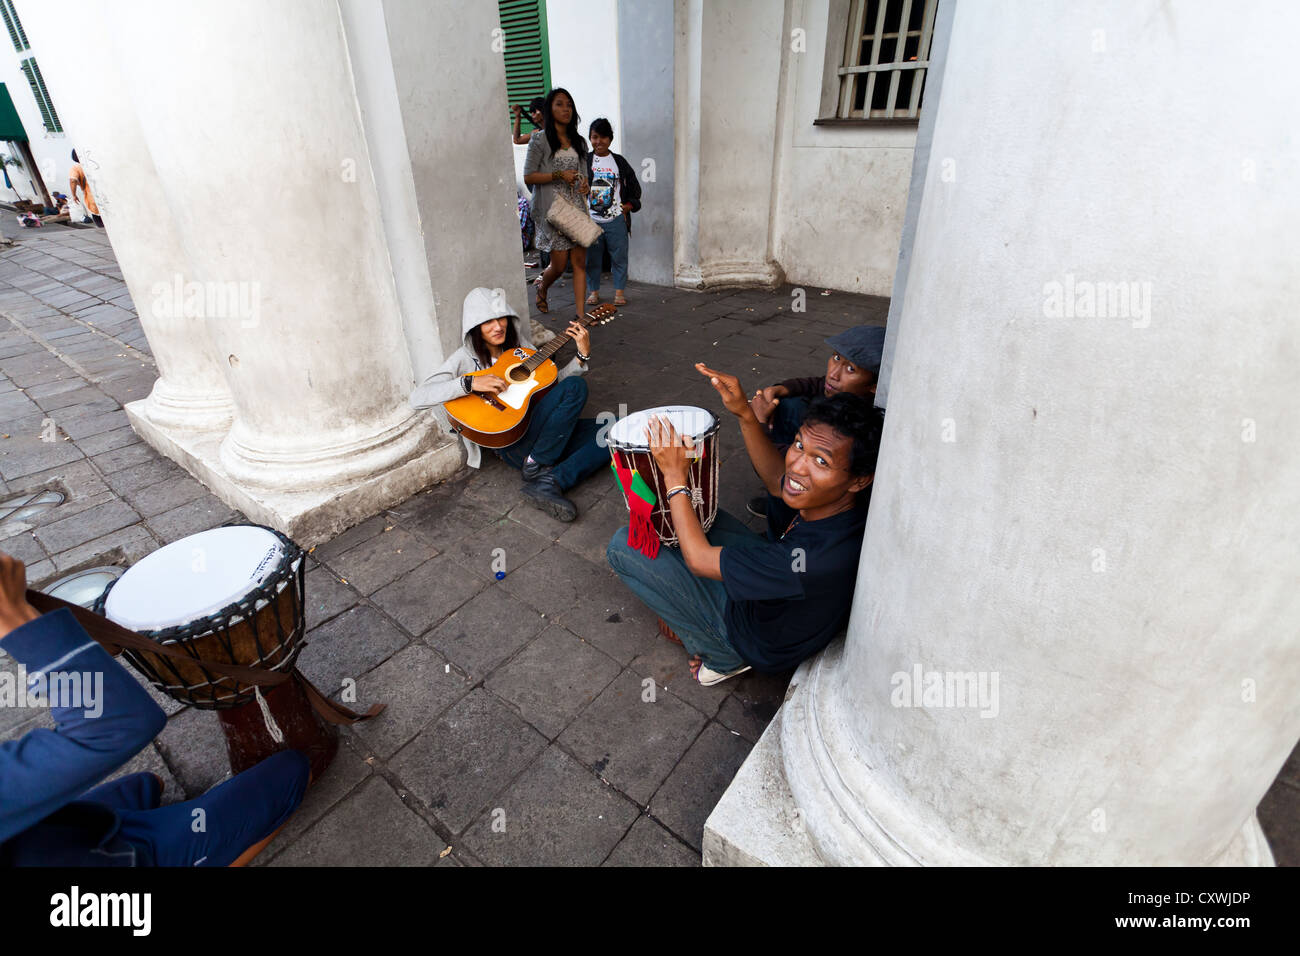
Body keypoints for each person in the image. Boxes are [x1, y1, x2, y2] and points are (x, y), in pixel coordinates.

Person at [0, 552, 310, 866]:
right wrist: (12, 616)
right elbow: (114, 727)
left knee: (147, 784)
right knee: (295, 770)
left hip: (42, 834)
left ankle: (75, 828)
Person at [607, 365, 883, 685]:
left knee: (624, 546)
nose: (797, 467)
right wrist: (745, 414)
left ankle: (724, 657)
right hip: (781, 587)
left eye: (821, 461)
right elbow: (777, 483)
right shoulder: (847, 503)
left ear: (859, 479)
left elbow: (699, 560)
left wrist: (674, 477)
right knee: (694, 522)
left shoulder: (815, 560)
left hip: (756, 637)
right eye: (798, 445)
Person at [409, 286, 607, 522]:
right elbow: (418, 398)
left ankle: (550, 481)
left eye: (501, 318)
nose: (498, 326)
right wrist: (469, 383)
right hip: (511, 441)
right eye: (488, 322)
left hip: (540, 429)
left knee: (612, 429)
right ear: (474, 327)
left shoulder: (521, 349)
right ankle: (538, 463)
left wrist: (581, 356)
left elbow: (553, 386)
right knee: (577, 388)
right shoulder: (464, 358)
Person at [746, 324, 885, 516]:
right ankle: (781, 500)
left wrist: (755, 423)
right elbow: (819, 383)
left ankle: (782, 516)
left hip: (836, 503)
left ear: (875, 386)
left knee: (778, 460)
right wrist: (780, 390)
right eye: (836, 358)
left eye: (850, 369)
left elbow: (789, 456)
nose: (834, 374)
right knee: (789, 404)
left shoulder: (860, 426)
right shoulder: (849, 389)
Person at [523, 88, 591, 322]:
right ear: (549, 111)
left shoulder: (579, 142)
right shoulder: (539, 140)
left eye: (569, 105)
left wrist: (585, 186)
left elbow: (583, 175)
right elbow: (529, 176)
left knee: (580, 262)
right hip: (552, 210)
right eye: (559, 104)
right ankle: (542, 285)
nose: (565, 109)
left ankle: (581, 315)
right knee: (559, 265)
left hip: (576, 209)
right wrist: (560, 175)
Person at [583, 118, 641, 310]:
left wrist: (628, 206)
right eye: (594, 137)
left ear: (610, 138)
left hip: (616, 219)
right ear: (590, 138)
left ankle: (619, 293)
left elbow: (635, 188)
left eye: (603, 137)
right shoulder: (586, 161)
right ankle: (593, 292)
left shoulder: (619, 162)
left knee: (619, 256)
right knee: (592, 258)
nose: (599, 142)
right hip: (592, 220)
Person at [68, 149, 101, 227]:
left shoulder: (76, 168)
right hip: (106, 196)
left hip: (93, 199)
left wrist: (74, 195)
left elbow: (73, 180)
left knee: (101, 224)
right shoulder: (94, 163)